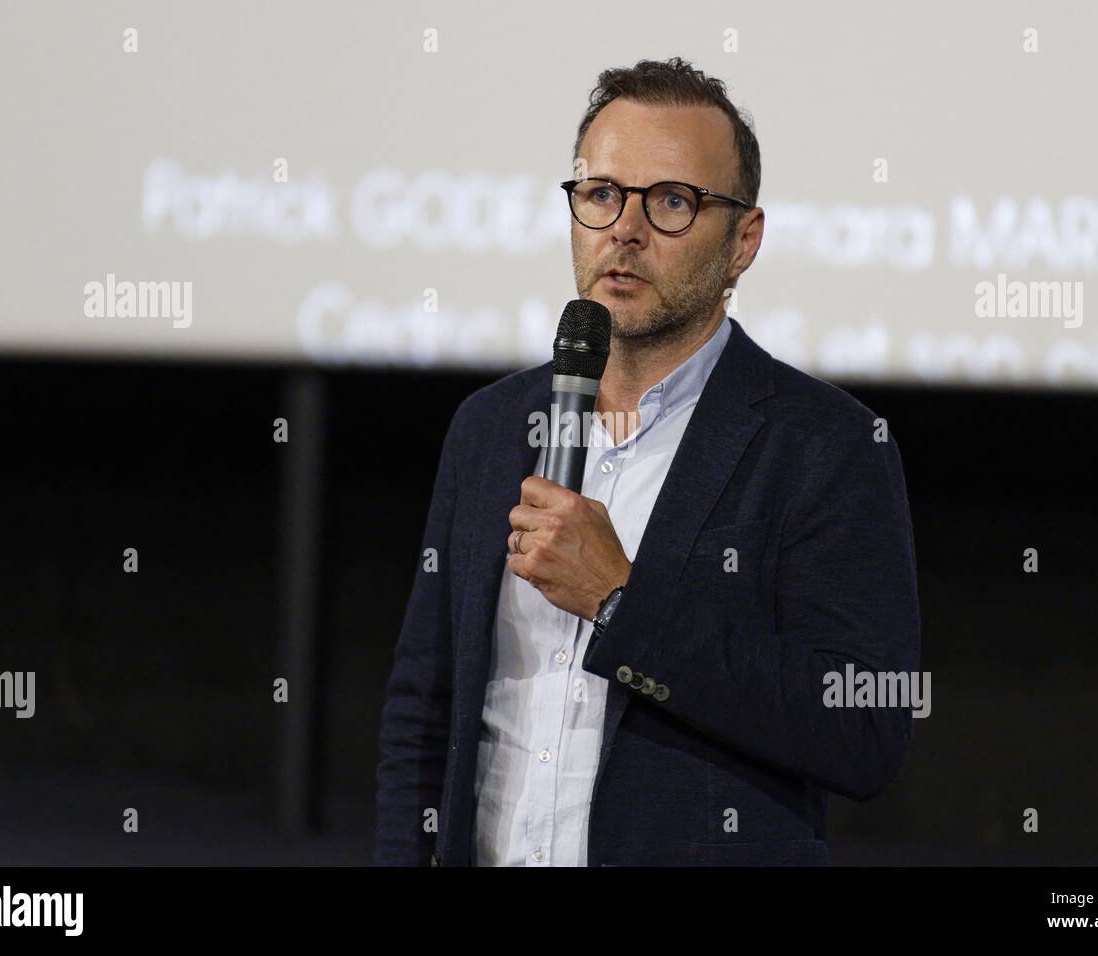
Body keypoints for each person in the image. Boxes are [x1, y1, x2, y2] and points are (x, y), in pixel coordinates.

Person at [373, 57, 920, 867]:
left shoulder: (825, 447)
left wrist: (621, 601)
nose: (624, 230)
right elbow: (423, 712)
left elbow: (864, 732)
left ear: (743, 242)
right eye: (602, 194)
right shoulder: (489, 428)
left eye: (671, 201)